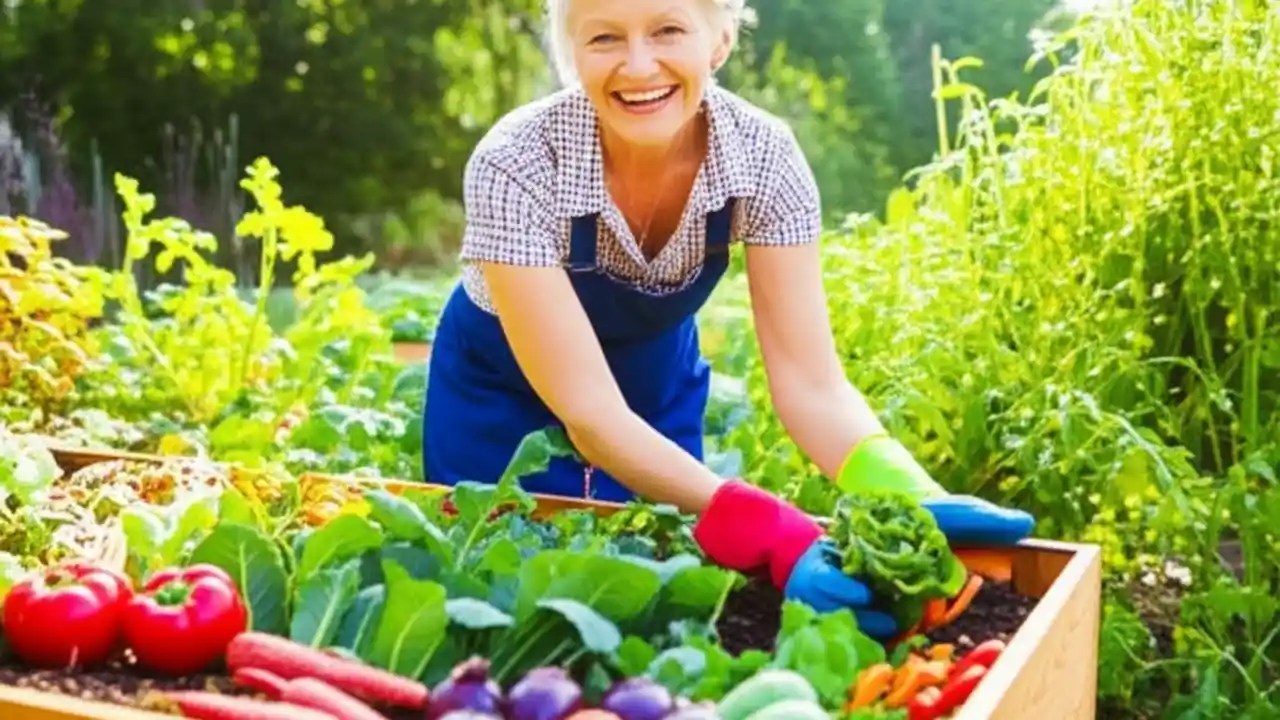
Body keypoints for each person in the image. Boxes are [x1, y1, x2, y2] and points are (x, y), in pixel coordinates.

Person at [423, 0, 1034, 639]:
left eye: (668, 30)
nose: (638, 66)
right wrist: (768, 529)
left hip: (653, 379)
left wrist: (907, 490)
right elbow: (592, 415)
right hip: (500, 391)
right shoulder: (515, 164)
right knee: (501, 607)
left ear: (719, 40)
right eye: (604, 37)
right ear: (570, 53)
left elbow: (811, 385)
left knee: (654, 598)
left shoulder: (764, 158)